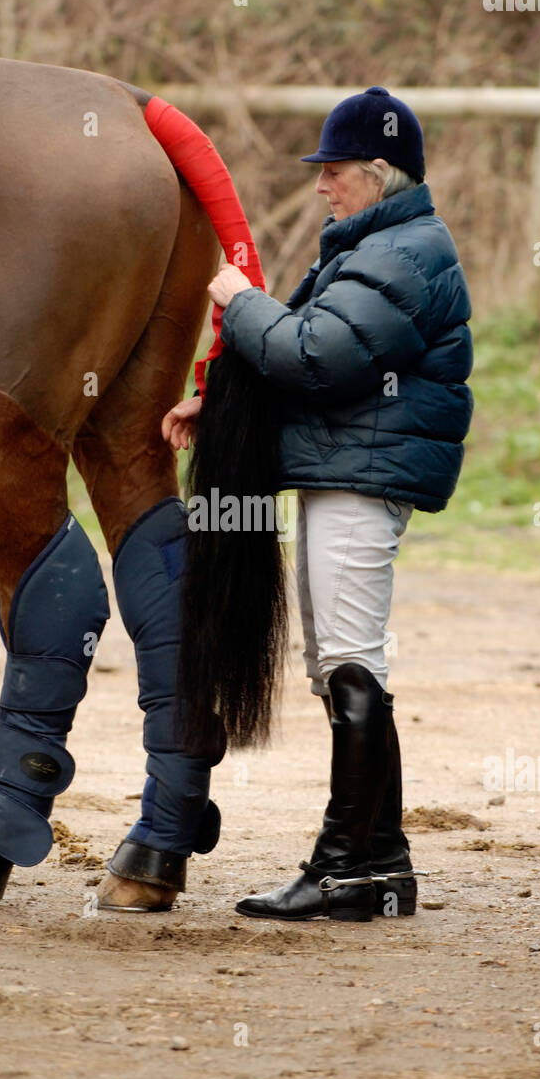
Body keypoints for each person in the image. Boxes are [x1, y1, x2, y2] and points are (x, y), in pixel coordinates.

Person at [163, 85, 473, 922]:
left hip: (360, 476)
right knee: (342, 666)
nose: (322, 186)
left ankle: (342, 867)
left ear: (377, 173)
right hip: (348, 467)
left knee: (347, 665)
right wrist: (217, 402)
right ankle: (383, 864)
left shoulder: (402, 254)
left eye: (333, 171)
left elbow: (317, 357)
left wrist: (239, 301)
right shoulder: (379, 245)